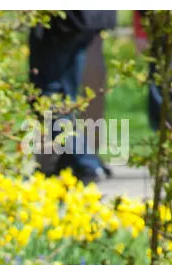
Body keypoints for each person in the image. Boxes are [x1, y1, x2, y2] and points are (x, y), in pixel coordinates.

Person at [28, 11, 118, 183]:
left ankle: (84, 160)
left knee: (48, 94)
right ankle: (71, 161)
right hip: (85, 19)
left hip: (64, 20)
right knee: (65, 94)